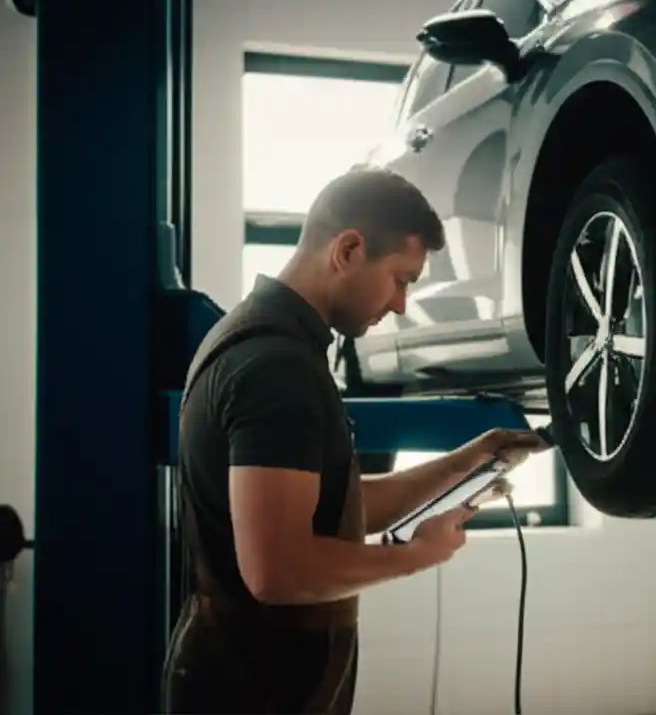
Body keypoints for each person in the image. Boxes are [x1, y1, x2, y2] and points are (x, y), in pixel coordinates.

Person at [163, 167, 547, 714]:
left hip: (260, 681)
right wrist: (416, 556)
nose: (401, 304)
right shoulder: (275, 368)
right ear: (347, 250)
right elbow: (279, 571)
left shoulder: (270, 344)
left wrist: (464, 463)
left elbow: (333, 506)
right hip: (250, 691)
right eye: (400, 279)